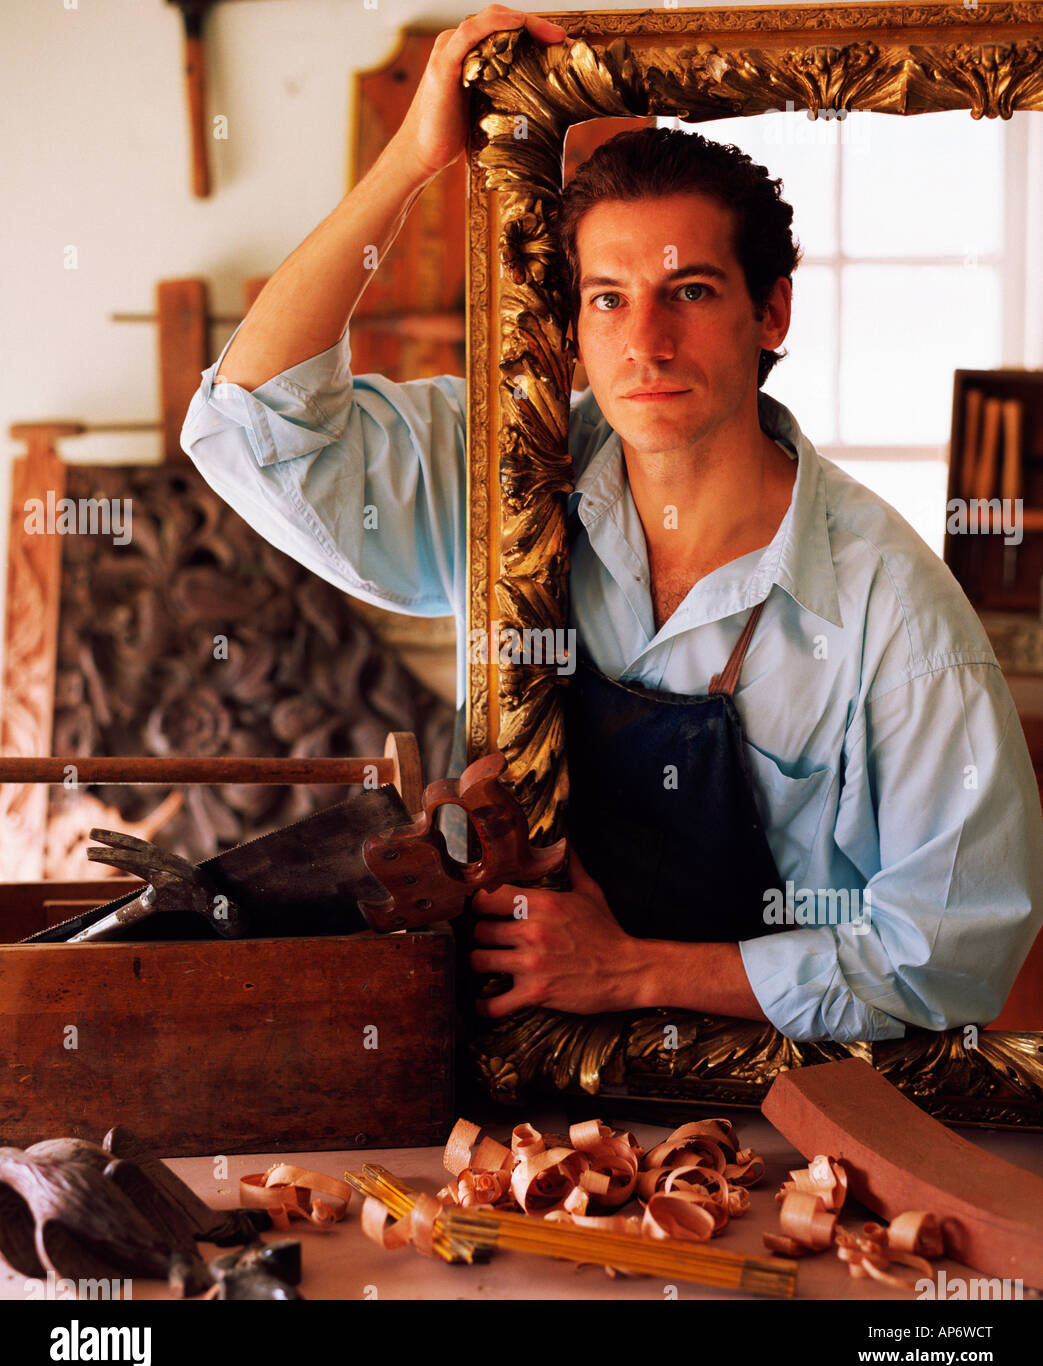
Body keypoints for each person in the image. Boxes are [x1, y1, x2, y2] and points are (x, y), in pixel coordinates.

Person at [181, 5, 1043, 1043]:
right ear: (573, 322)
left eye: (688, 290)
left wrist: (632, 972)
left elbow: (946, 954)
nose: (645, 342)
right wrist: (409, 162)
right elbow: (251, 420)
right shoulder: (510, 472)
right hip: (522, 1079)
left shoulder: (891, 614)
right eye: (605, 298)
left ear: (768, 314)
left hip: (780, 1113)